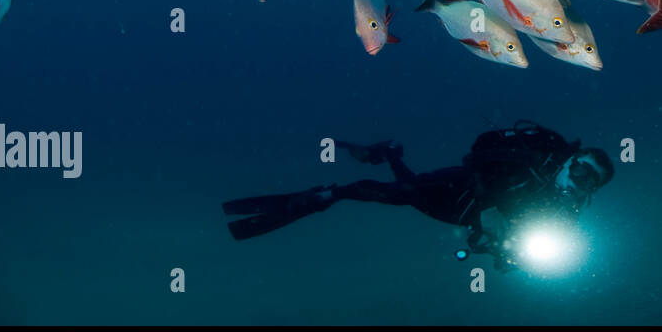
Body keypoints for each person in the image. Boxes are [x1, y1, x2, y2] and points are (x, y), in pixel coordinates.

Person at [220, 121, 614, 271]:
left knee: (409, 192)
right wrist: (488, 193)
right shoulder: (534, 158)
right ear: (570, 160)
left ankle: (390, 152)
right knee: (403, 193)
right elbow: (481, 155)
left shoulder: (568, 209)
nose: (579, 184)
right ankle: (330, 194)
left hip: (459, 217)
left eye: (589, 184)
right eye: (580, 172)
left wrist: (511, 253)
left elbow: (527, 250)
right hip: (460, 187)